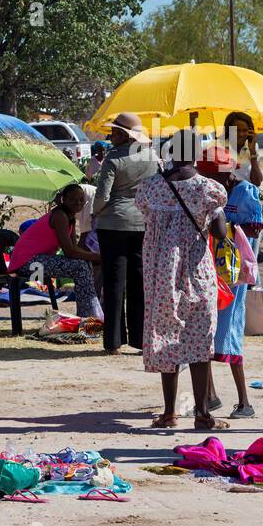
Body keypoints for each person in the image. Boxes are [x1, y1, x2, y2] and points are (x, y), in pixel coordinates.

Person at [135, 128, 228, 430]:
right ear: (197, 153)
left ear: (170, 153)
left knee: (167, 338)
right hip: (197, 273)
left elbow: (146, 217)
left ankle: (168, 413)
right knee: (200, 340)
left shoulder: (150, 187)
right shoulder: (208, 189)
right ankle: (202, 413)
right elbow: (220, 233)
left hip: (161, 273)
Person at [200, 148, 263, 419]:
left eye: (213, 175)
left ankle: (244, 401)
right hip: (209, 267)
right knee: (204, 330)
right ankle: (210, 395)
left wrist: (227, 226)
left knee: (228, 330)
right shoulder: (207, 192)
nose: (209, 179)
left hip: (233, 273)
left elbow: (255, 229)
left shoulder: (245, 191)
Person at [93, 111, 159, 354]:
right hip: (143, 223)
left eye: (113, 132)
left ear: (123, 134)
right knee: (140, 283)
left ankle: (113, 342)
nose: (110, 136)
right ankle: (141, 341)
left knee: (113, 283)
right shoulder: (152, 156)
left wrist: (96, 212)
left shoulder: (114, 158)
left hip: (113, 224)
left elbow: (102, 195)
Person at [8, 183, 102, 318]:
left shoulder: (69, 218)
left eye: (81, 199)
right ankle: (88, 315)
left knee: (83, 264)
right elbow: (70, 252)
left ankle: (89, 314)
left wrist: (91, 257)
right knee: (81, 266)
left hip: (37, 260)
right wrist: (97, 256)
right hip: (27, 263)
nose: (78, 203)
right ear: (64, 199)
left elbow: (73, 249)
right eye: (73, 199)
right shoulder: (60, 216)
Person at [220, 112, 263, 187]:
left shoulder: (253, 147)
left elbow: (257, 182)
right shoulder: (220, 147)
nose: (241, 134)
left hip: (248, 196)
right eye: (237, 130)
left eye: (244, 130)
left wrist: (253, 152)